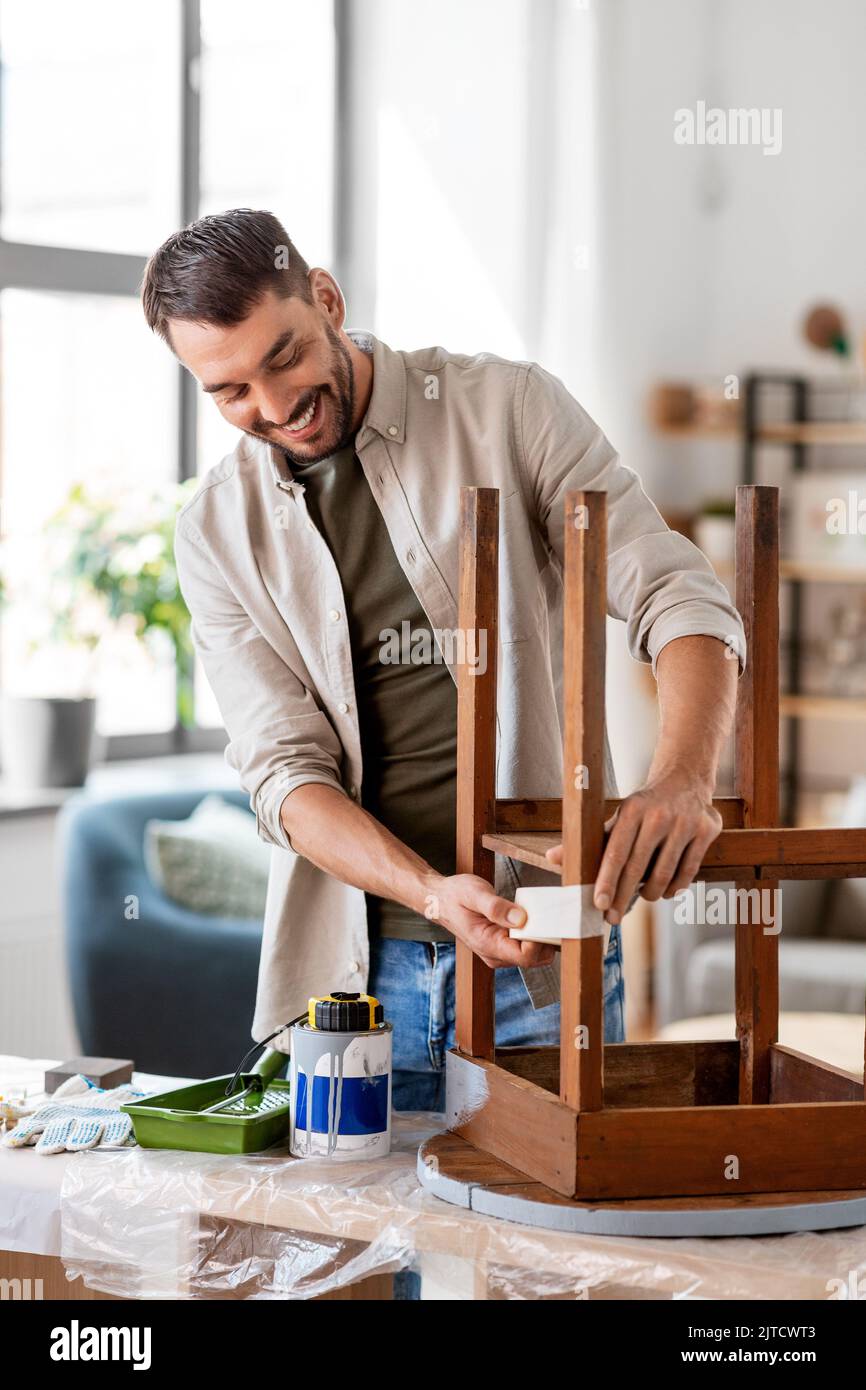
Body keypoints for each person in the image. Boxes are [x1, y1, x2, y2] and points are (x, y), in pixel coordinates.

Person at [142, 208, 745, 1110]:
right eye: (230, 391)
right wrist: (430, 893)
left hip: (541, 946)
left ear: (327, 299)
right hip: (346, 984)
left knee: (547, 1250)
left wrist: (683, 778)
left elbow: (676, 592)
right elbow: (284, 776)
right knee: (354, 1250)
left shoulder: (507, 407)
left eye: (284, 357)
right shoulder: (216, 532)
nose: (273, 409)